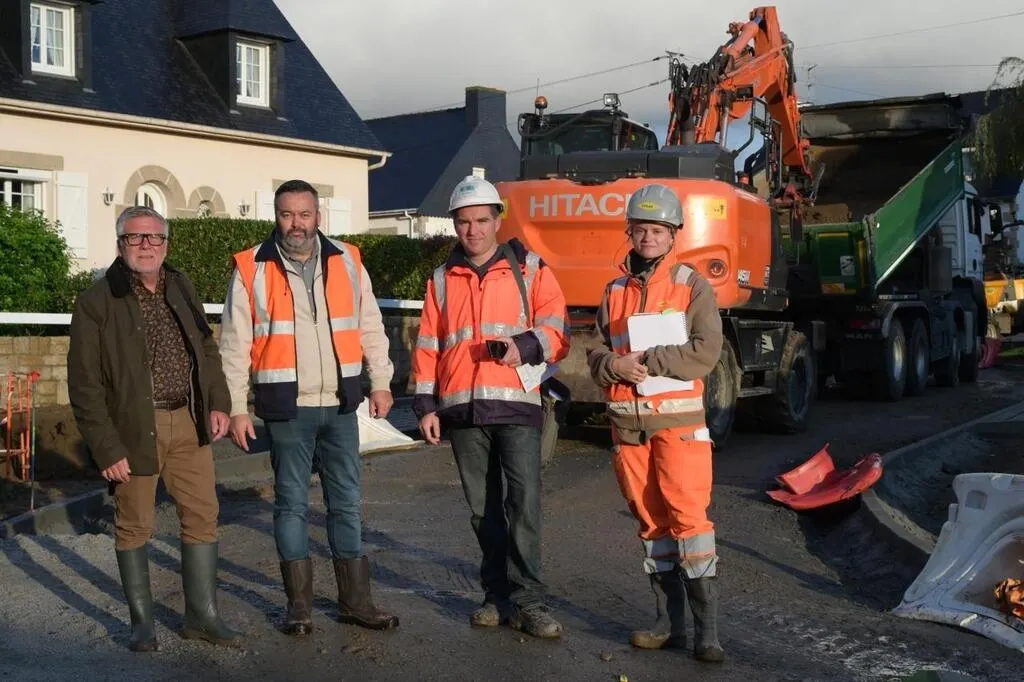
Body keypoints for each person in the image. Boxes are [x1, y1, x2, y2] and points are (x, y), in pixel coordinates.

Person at [218, 179, 398, 635]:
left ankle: (356, 602)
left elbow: (370, 326)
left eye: (304, 214)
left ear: (319, 216)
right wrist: (238, 407)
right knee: (292, 505)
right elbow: (234, 345)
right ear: (275, 216)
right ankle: (299, 607)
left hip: (341, 405)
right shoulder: (251, 268)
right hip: (286, 408)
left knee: (346, 505)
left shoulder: (349, 260)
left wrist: (381, 382)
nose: (295, 224)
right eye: (286, 214)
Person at [67, 205, 240, 652]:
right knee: (133, 525)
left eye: (154, 238)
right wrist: (106, 448)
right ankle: (142, 622)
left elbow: (206, 347)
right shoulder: (95, 302)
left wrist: (218, 403)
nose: (146, 246)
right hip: (131, 430)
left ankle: (202, 616)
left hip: (187, 421)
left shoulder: (180, 286)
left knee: (203, 516)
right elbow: (84, 386)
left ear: (166, 244)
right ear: (120, 244)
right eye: (135, 238)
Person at [411, 175, 571, 639]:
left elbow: (557, 329)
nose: (473, 230)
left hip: (517, 406)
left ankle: (530, 603)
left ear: (497, 219)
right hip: (463, 412)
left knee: (524, 506)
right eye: (463, 222)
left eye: (481, 220)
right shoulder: (442, 280)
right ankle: (496, 596)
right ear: (455, 225)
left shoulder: (531, 269)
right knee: (483, 512)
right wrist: (426, 406)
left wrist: (526, 345)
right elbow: (428, 347)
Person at [586, 183, 726, 663]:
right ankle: (671, 624)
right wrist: (613, 366)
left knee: (689, 522)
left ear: (673, 236)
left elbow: (706, 352)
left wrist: (651, 359)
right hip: (628, 427)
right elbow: (597, 349)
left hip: (679, 427)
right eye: (641, 229)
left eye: (658, 230)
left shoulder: (692, 284)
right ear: (631, 232)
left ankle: (708, 632)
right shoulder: (615, 290)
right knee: (651, 526)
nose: (648, 238)